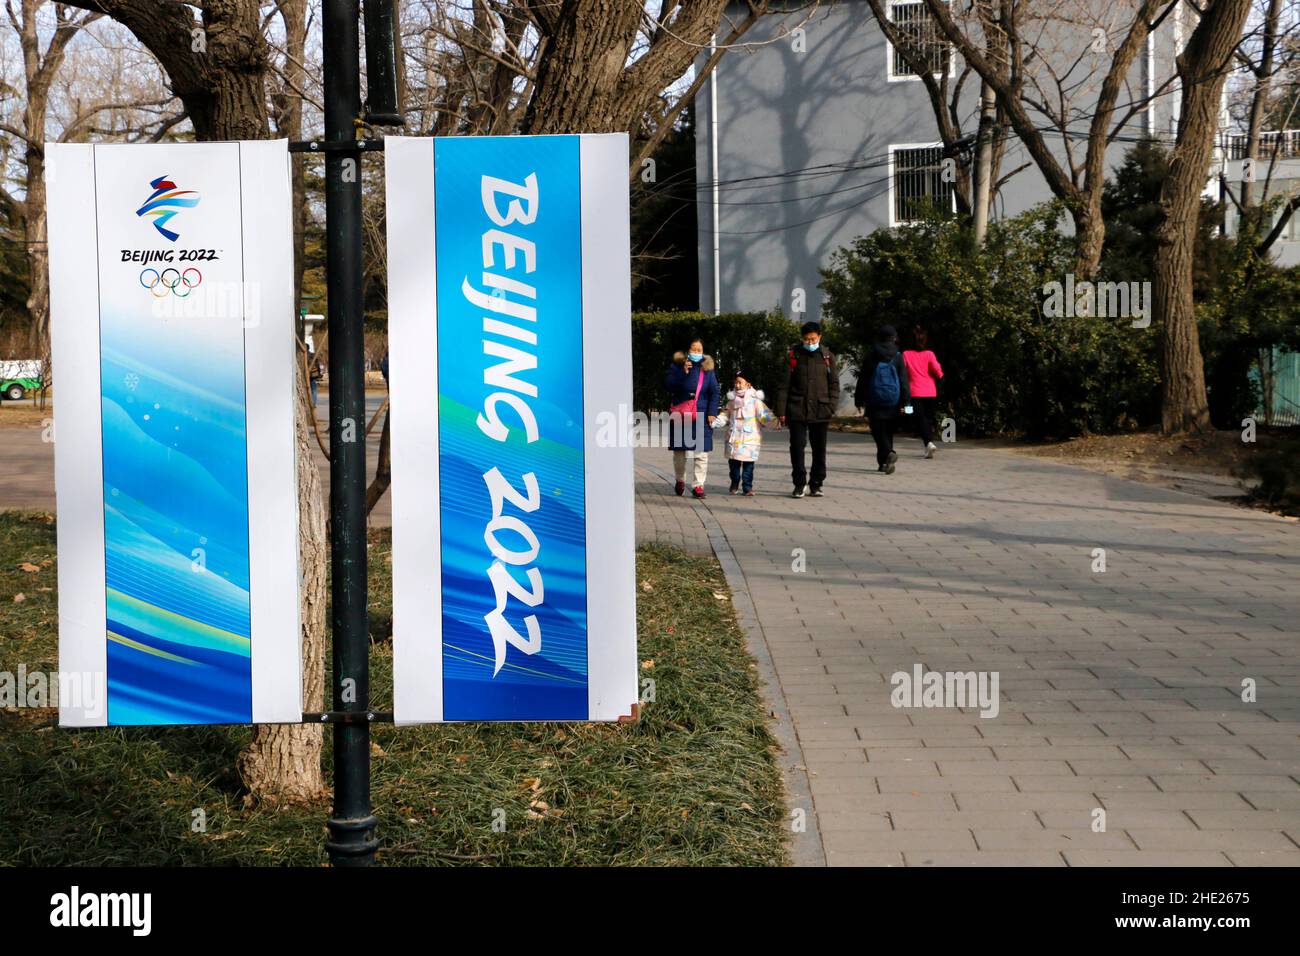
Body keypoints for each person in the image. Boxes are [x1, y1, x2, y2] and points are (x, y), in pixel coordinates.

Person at [776, 320, 840, 498]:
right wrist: (781, 411)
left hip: (821, 410)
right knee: (797, 447)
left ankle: (817, 483)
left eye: (813, 339)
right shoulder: (793, 356)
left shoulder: (828, 357)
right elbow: (784, 386)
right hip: (797, 409)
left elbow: (834, 384)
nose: (810, 343)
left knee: (819, 449)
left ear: (820, 337)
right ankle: (799, 483)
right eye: (807, 339)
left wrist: (831, 407)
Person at [664, 338, 720, 499]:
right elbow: (668, 385)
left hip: (701, 413)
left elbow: (714, 392)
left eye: (699, 349)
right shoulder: (677, 365)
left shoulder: (708, 369)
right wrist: (683, 372)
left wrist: (712, 412)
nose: (696, 352)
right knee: (680, 452)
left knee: (701, 453)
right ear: (687, 350)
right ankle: (680, 480)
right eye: (693, 349)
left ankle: (698, 485)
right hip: (681, 412)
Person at [854, 324, 911, 475]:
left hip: (874, 401)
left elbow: (863, 379)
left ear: (879, 338)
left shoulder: (872, 355)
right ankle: (885, 461)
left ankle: (887, 455)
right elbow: (904, 382)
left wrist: (858, 399)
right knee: (888, 431)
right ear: (894, 338)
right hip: (894, 401)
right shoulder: (898, 357)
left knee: (878, 432)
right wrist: (907, 404)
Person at [711, 370, 776, 496]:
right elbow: (725, 415)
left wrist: (776, 423)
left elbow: (764, 415)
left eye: (740, 382)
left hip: (749, 439)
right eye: (735, 382)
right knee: (733, 466)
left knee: (748, 466)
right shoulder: (731, 401)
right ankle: (734, 482)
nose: (737, 385)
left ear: (748, 384)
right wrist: (714, 422)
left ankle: (747, 487)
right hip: (734, 439)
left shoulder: (755, 401)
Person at [902, 326, 942, 458]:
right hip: (930, 391)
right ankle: (928, 443)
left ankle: (928, 443)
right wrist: (939, 374)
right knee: (927, 418)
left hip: (914, 392)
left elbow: (902, 373)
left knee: (918, 418)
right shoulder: (930, 354)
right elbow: (938, 372)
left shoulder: (906, 354)